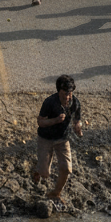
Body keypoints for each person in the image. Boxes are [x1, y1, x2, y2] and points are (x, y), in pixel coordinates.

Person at [34, 74, 84, 209]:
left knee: (67, 169)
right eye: (64, 94)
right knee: (45, 174)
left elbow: (77, 120)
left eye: (70, 94)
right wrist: (55, 120)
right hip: (46, 138)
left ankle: (55, 193)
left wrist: (78, 127)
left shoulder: (75, 102)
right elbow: (40, 122)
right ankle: (38, 169)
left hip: (63, 139)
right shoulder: (50, 102)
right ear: (58, 92)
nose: (67, 98)